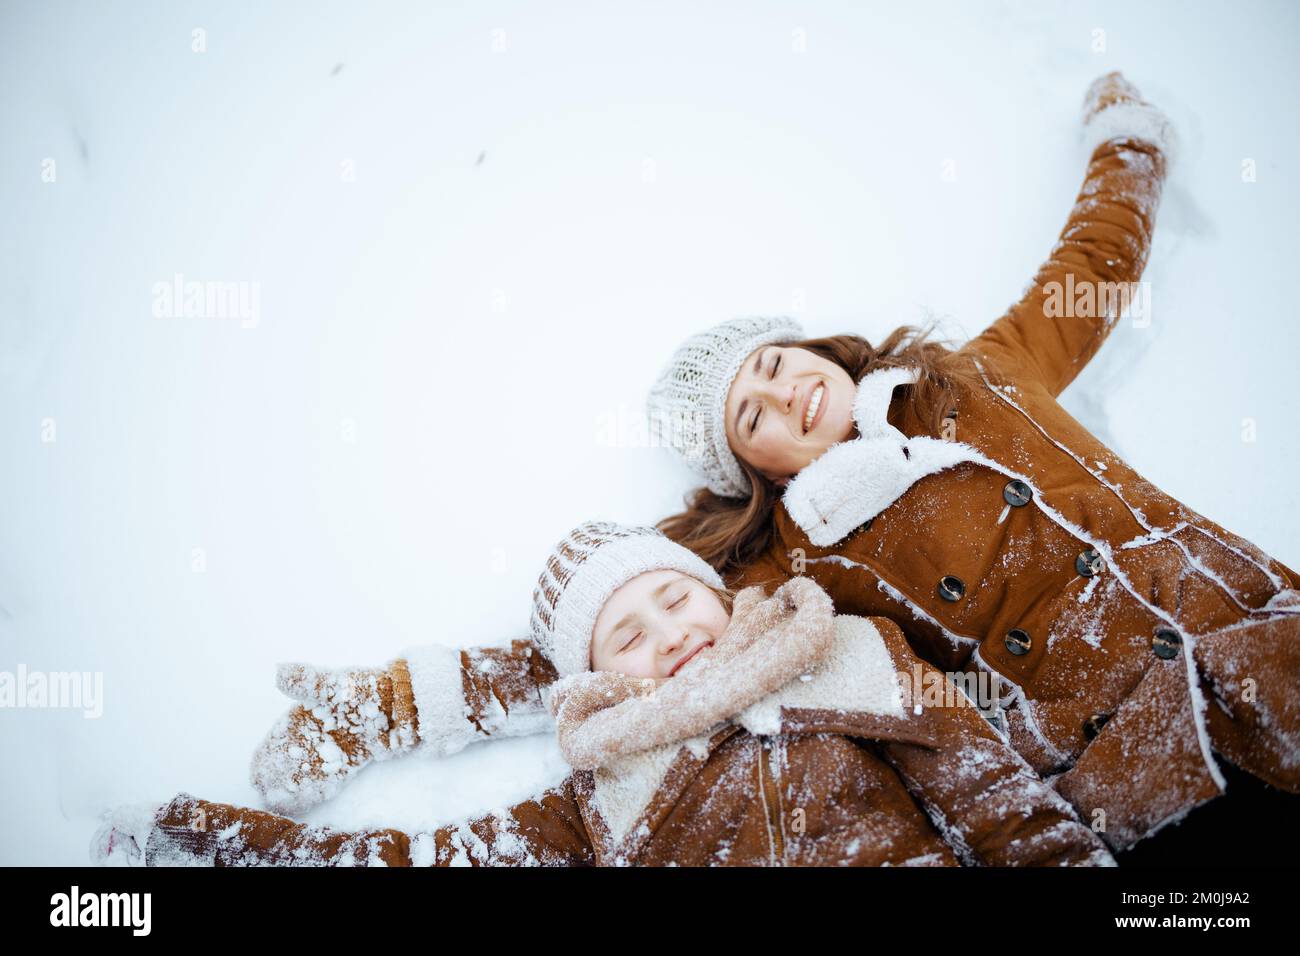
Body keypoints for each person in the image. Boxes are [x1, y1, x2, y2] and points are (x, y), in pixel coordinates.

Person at [304, 71, 1300, 858]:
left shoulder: (977, 375)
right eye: (753, 413)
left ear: (817, 349)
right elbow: (610, 618)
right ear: (758, 469)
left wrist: (1126, 142)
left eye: (778, 364)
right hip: (1136, 766)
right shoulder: (797, 561)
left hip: (1255, 638)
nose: (786, 395)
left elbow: (1090, 267)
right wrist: (401, 704)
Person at [92, 522, 1113, 867]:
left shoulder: (844, 652)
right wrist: (222, 838)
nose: (670, 634)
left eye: (676, 598)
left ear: (716, 593)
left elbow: (1000, 804)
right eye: (626, 635)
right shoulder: (607, 786)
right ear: (600, 679)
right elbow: (421, 861)